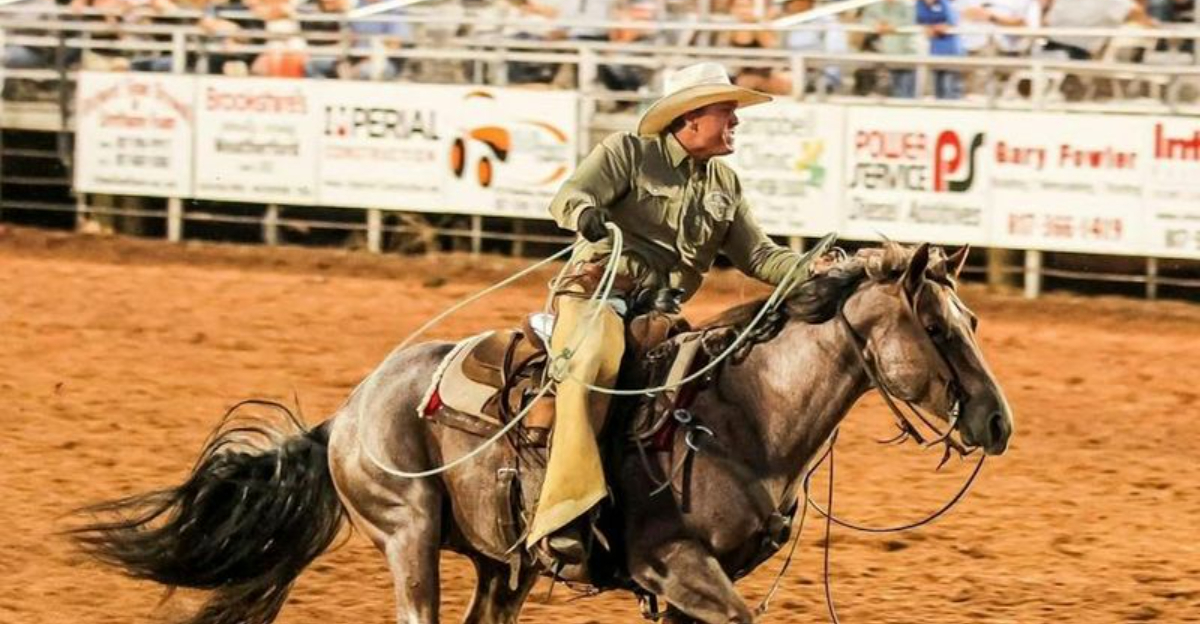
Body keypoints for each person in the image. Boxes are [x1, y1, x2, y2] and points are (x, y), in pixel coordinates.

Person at [529, 62, 813, 566]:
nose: (736, 122)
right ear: (691, 117)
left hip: (662, 313)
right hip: (600, 294)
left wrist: (815, 270)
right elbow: (570, 196)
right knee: (590, 363)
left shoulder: (724, 183)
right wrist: (586, 214)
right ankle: (565, 512)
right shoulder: (627, 152)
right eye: (726, 112)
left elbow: (758, 255)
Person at [916, 0, 964, 99]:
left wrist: (936, 28)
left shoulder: (944, 3)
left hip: (951, 49)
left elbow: (951, 23)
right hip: (934, 50)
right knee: (938, 88)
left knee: (951, 86)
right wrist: (928, 27)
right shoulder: (920, 4)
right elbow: (920, 22)